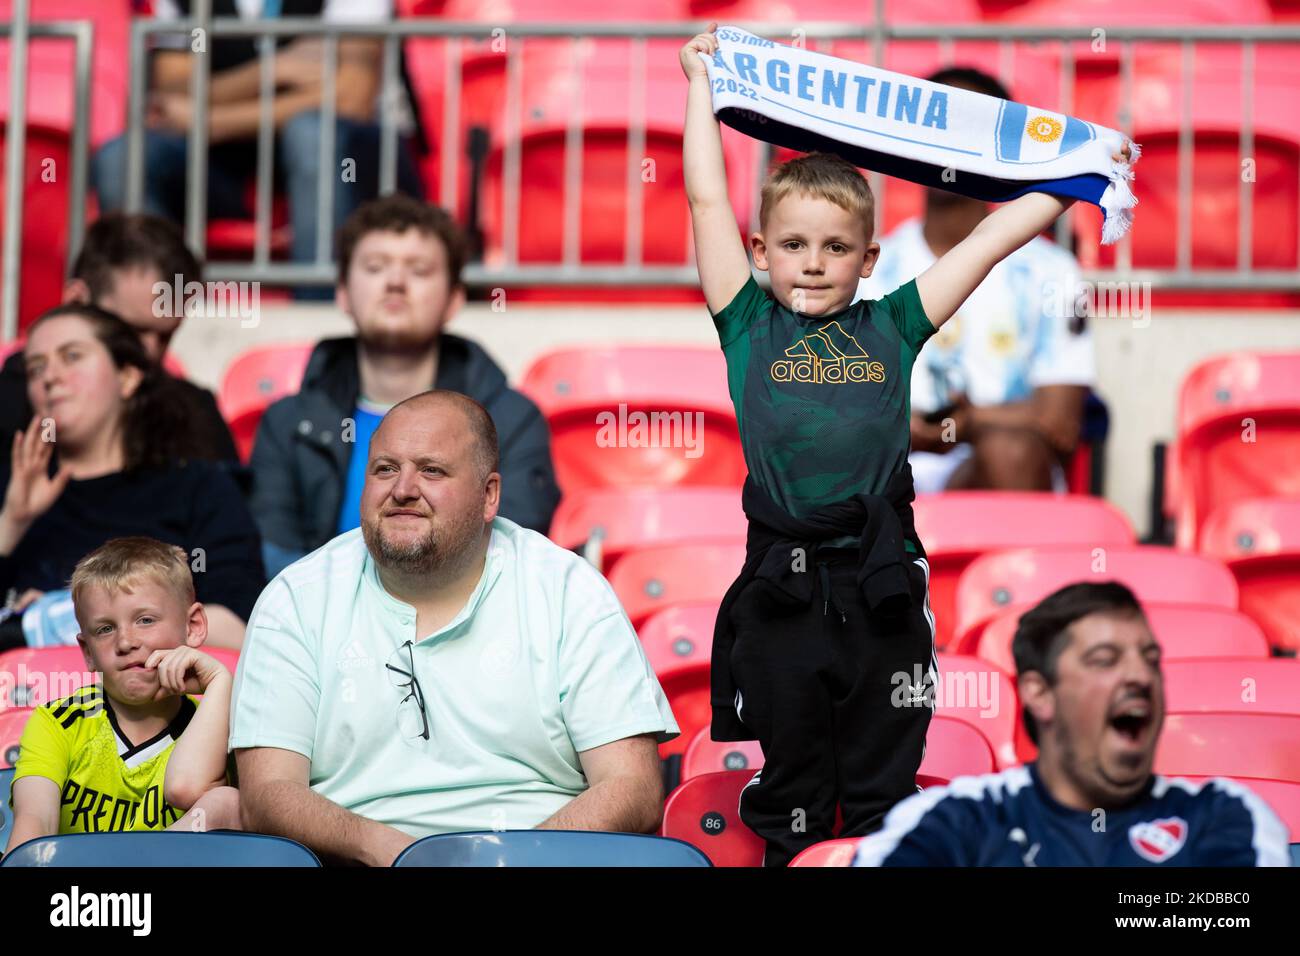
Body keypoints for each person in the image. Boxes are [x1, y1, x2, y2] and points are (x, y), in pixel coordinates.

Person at [680, 24, 1130, 866]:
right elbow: (706, 198)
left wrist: (1085, 168)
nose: (812, 264)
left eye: (836, 247)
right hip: (779, 593)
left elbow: (991, 241)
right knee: (794, 795)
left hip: (882, 588)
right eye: (793, 245)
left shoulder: (894, 323)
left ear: (869, 258)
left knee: (886, 789)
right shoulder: (745, 324)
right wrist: (700, 87)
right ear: (759, 253)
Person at [233, 391, 675, 865]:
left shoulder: (568, 589)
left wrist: (516, 859)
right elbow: (266, 794)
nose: (402, 488)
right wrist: (392, 852)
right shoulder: (297, 597)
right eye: (384, 469)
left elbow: (633, 787)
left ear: (489, 496)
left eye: (432, 470)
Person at [855, 582, 1291, 866]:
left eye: (1150, 660)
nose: (1140, 677)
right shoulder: (957, 819)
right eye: (1105, 661)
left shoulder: (1225, 815)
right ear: (1039, 692)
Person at [250, 195, 560, 578]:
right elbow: (275, 565)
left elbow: (514, 558)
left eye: (419, 270)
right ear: (343, 292)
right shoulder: (289, 422)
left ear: (453, 299)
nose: (395, 282)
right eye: (376, 267)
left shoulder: (509, 420)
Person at [857, 68, 1096, 493]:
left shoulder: (1051, 270)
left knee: (1009, 451)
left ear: (999, 147)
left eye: (965, 125)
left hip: (998, 475)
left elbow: (1061, 424)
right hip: (883, 473)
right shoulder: (866, 265)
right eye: (934, 123)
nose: (946, 141)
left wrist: (969, 424)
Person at [91, 0, 426, 299]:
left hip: (355, 165)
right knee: (123, 158)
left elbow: (350, 99)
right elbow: (171, 96)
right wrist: (273, 71)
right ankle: (144, 323)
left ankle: (317, 325)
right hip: (231, 168)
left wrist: (209, 120)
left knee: (312, 134)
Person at [0, 304, 265, 650]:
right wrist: (11, 522)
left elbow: (239, 627)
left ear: (127, 377)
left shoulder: (198, 487)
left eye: (72, 356)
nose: (50, 377)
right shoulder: (12, 488)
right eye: (36, 368)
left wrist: (66, 617)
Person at [4, 537, 241, 856]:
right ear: (87, 652)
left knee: (228, 802)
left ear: (193, 625)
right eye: (104, 629)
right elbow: (34, 832)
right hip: (77, 899)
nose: (126, 641)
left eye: (145, 620)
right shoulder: (59, 722)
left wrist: (220, 683)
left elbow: (187, 789)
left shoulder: (217, 724)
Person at [0, 212, 237, 467]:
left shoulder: (194, 413)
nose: (149, 352)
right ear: (77, 302)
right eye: (132, 330)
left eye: (166, 336)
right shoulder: (12, 404)